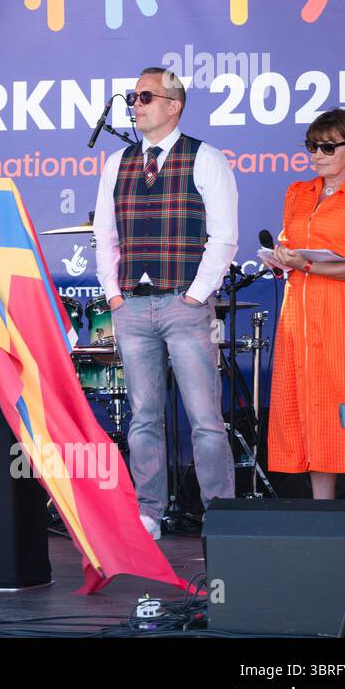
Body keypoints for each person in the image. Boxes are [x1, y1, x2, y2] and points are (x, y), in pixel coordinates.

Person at [92, 66, 238, 539]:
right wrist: (113, 293)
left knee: (206, 421)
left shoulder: (205, 158)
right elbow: (105, 236)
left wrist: (197, 295)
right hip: (133, 305)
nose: (136, 105)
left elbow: (224, 236)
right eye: (132, 98)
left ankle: (221, 515)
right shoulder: (117, 162)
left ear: (174, 105)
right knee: (143, 419)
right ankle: (148, 513)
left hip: (184, 304)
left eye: (146, 97)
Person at [268, 108, 345, 500]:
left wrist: (305, 263)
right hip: (303, 319)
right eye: (312, 146)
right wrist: (281, 261)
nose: (318, 154)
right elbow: (290, 245)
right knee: (312, 410)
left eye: (327, 146)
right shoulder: (298, 193)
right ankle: (320, 519)